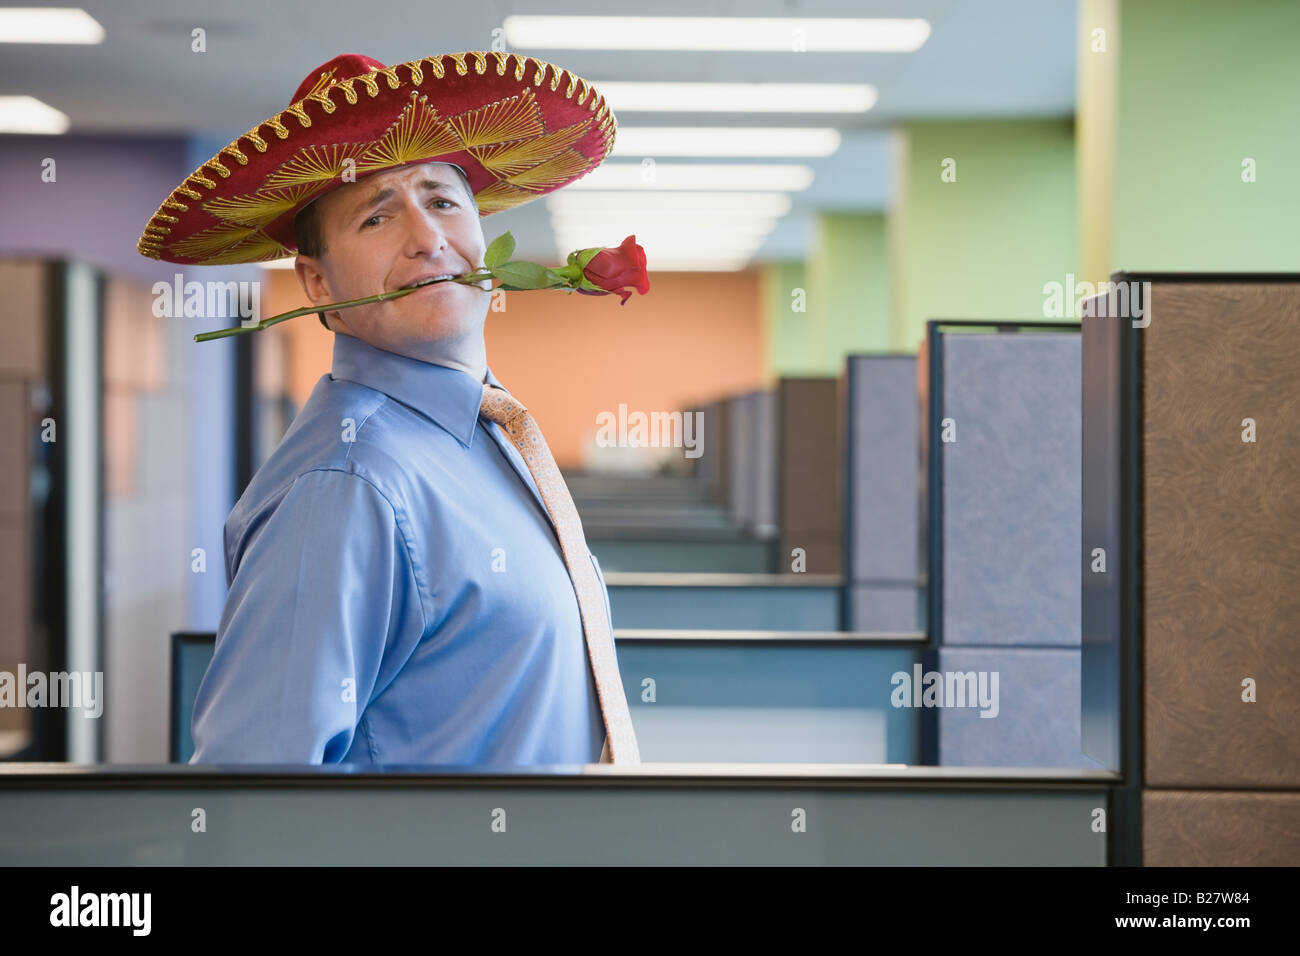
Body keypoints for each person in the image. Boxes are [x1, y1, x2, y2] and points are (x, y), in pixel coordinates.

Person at [136, 52, 641, 765]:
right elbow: (251, 800)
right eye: (376, 217)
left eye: (441, 200)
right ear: (317, 282)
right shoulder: (343, 486)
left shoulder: (489, 438)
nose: (427, 237)